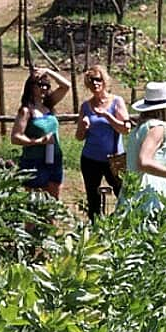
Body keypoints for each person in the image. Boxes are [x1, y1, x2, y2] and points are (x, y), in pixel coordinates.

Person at [118, 81, 166, 213]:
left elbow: (147, 152)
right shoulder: (157, 127)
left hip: (132, 189)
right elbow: (144, 162)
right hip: (149, 190)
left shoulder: (140, 127)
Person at [74, 64, 130, 218]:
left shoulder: (117, 102)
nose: (95, 83)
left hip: (115, 159)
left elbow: (125, 129)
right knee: (93, 198)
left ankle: (123, 228)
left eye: (98, 79)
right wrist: (83, 126)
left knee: (124, 195)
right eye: (91, 80)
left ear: (105, 81)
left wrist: (108, 117)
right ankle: (95, 231)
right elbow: (79, 137)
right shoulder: (86, 106)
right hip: (90, 159)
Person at [10, 66, 71, 199]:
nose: (44, 88)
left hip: (54, 159)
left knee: (53, 205)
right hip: (34, 161)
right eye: (40, 84)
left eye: (47, 85)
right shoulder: (26, 111)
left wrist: (48, 71)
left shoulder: (48, 105)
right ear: (31, 87)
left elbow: (66, 86)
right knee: (35, 207)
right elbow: (15, 137)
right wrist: (38, 141)